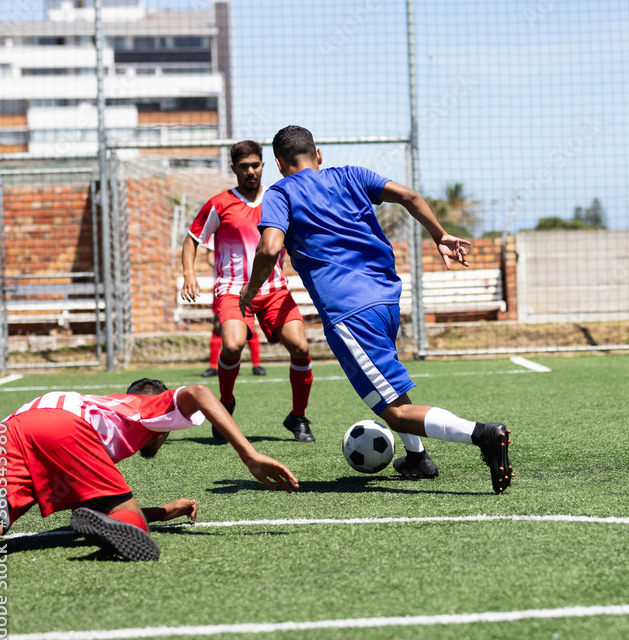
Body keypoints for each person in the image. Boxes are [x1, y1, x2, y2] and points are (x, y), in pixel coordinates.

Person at [240, 125, 513, 494]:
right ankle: (417, 458)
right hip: (386, 299)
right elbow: (409, 196)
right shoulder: (352, 174)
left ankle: (483, 435)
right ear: (318, 154)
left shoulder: (280, 193)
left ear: (277, 163)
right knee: (392, 388)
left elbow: (270, 248)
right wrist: (440, 235)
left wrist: (251, 288)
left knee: (393, 411)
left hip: (349, 313)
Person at [0, 378, 298, 562]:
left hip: (12, 429)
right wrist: (249, 454)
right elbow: (199, 392)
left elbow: (82, 489)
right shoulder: (142, 406)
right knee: (137, 531)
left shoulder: (103, 408)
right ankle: (122, 528)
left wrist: (161, 512)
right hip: (66, 426)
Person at [181, 140, 314, 442]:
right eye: (244, 167)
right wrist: (188, 273)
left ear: (263, 165)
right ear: (234, 169)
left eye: (255, 165)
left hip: (275, 289)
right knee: (231, 346)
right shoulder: (219, 203)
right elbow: (191, 239)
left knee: (301, 348)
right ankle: (225, 403)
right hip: (231, 289)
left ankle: (298, 417)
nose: (251, 171)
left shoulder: (279, 198)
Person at [201, 246, 266, 378]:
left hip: (248, 284)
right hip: (225, 285)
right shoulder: (217, 228)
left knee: (249, 325)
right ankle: (213, 366)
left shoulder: (254, 229)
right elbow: (210, 256)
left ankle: (256, 364)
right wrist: (229, 267)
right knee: (218, 325)